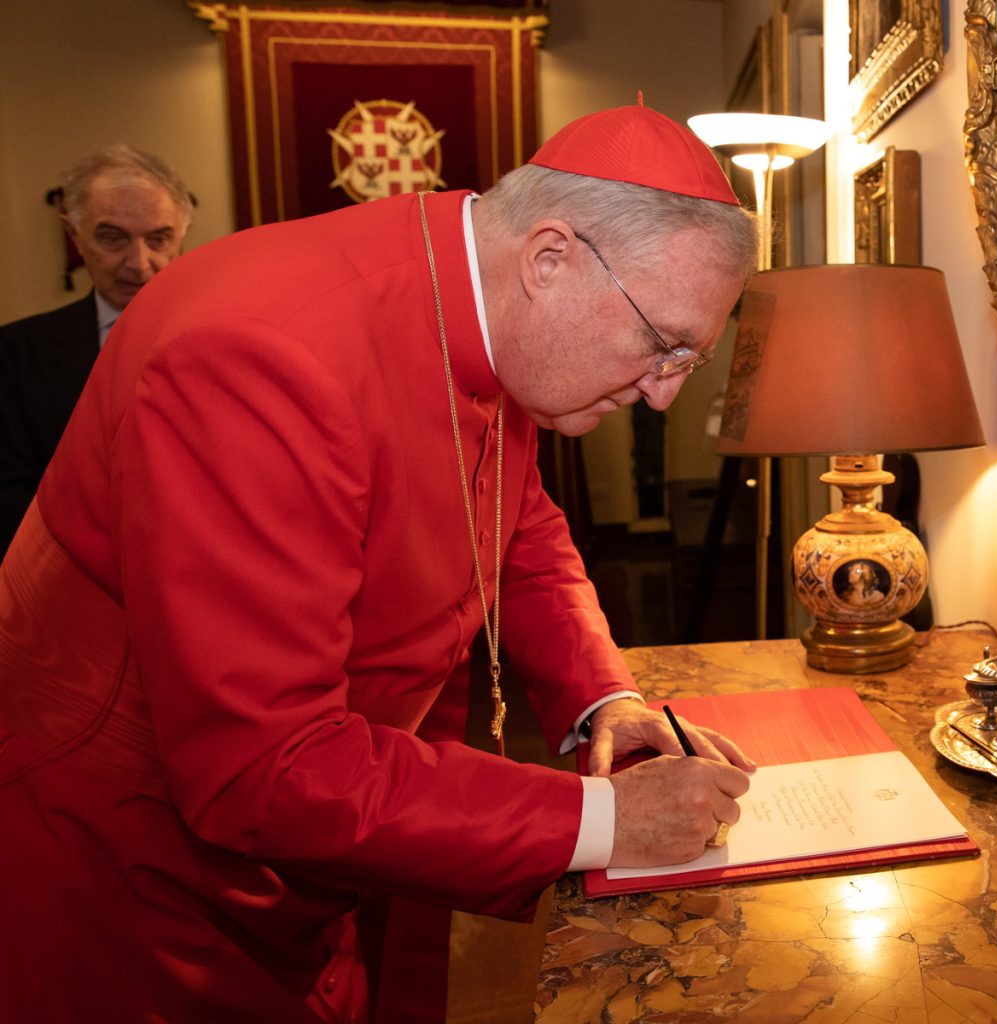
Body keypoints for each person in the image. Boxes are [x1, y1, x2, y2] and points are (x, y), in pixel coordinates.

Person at [0, 105, 759, 1023]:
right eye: (663, 343)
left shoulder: (486, 306)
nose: (664, 393)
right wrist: (607, 823)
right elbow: (261, 765)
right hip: (133, 872)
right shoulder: (256, 355)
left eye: (694, 358)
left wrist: (606, 700)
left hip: (334, 825)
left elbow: (518, 526)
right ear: (550, 257)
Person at [0, 144, 194, 549]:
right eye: (113, 239)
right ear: (75, 234)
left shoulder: (227, 342)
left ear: (182, 236)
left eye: (159, 239)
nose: (139, 263)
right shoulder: (17, 354)